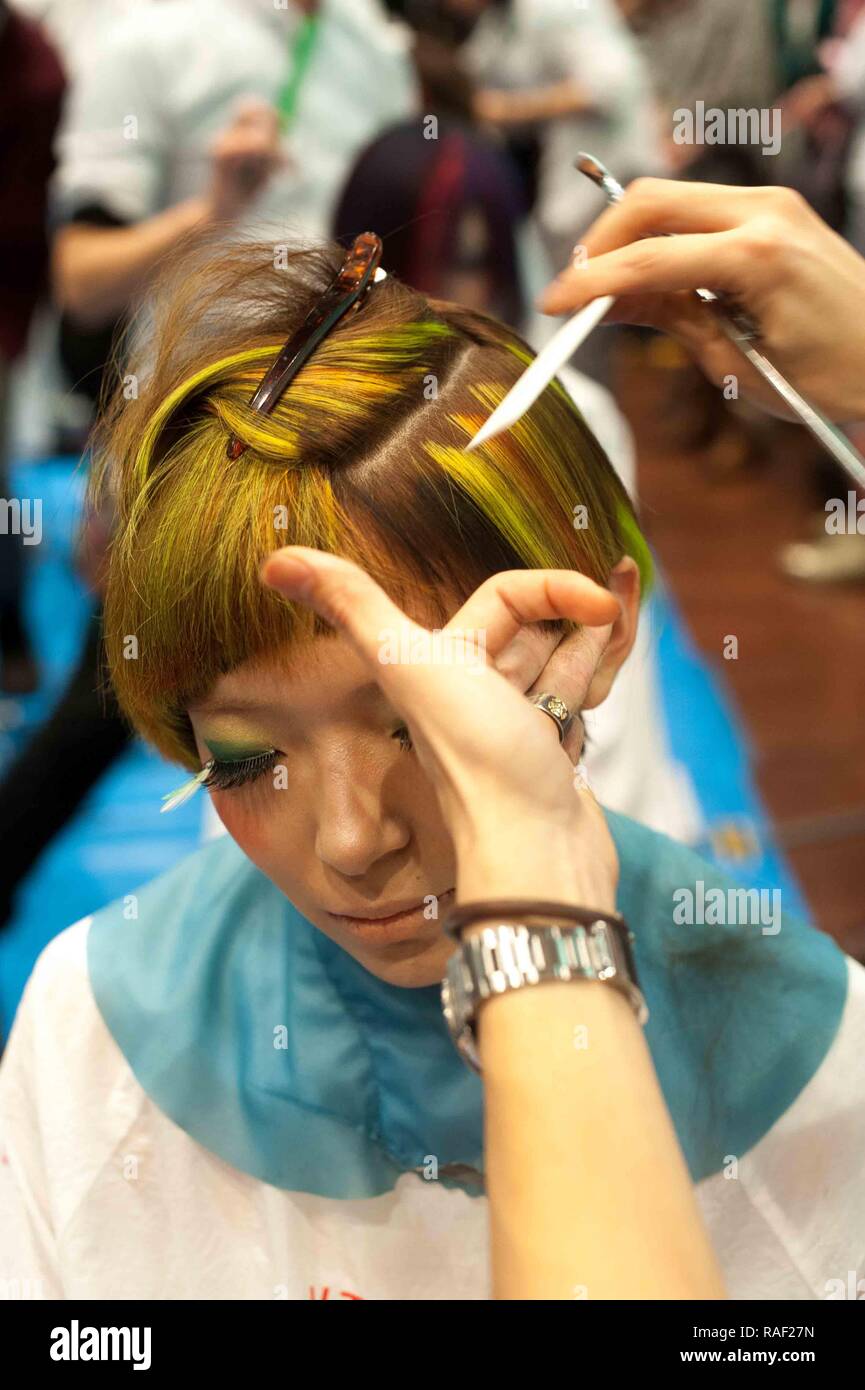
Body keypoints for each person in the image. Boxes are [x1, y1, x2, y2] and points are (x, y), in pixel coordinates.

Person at [0, 230, 861, 1300]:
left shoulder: (822, 1082)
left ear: (595, 631)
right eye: (242, 755)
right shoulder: (92, 1040)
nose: (354, 838)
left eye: (416, 721)